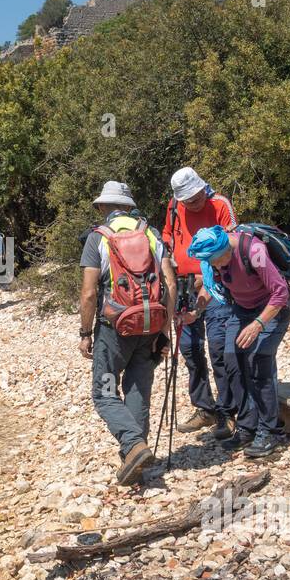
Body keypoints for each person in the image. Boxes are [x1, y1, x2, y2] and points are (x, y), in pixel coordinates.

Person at [79, 180, 178, 486]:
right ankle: (134, 460)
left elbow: (89, 294)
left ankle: (134, 444)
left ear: (102, 207)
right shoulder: (151, 234)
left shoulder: (99, 238)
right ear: (129, 206)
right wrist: (165, 331)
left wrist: (85, 332)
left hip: (114, 332)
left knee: (105, 393)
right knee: (138, 390)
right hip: (149, 328)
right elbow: (170, 285)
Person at [187, 225, 290, 459]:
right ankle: (247, 425)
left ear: (225, 248)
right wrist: (195, 312)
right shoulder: (214, 257)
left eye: (216, 260)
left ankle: (270, 430)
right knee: (232, 361)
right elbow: (210, 285)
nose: (215, 265)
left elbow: (280, 292)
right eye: (210, 262)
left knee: (258, 362)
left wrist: (258, 324)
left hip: (272, 310)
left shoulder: (254, 251)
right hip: (241, 309)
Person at [162, 167, 241, 438]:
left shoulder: (220, 204)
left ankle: (227, 412)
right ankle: (204, 408)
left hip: (217, 286)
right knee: (190, 348)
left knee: (219, 347)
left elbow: (232, 244)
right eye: (186, 200)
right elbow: (168, 240)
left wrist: (204, 274)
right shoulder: (174, 207)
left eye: (195, 198)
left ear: (202, 188)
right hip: (183, 286)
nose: (192, 204)